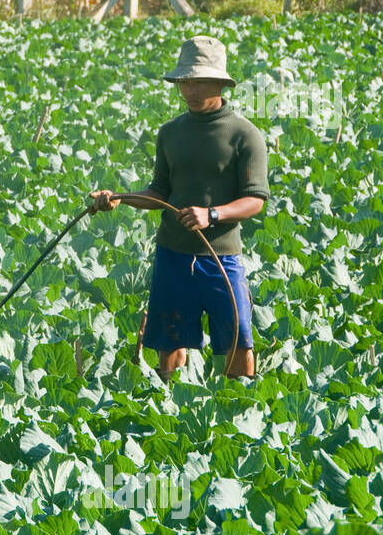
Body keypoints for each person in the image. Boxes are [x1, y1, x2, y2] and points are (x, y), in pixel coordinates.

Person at [90, 35, 270, 381]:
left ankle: (240, 405)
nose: (191, 89)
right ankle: (169, 402)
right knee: (169, 340)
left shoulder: (244, 135)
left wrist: (211, 214)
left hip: (221, 257)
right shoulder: (170, 132)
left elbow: (255, 200)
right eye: (185, 81)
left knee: (238, 339)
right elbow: (159, 191)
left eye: (200, 80)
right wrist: (119, 199)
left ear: (220, 82)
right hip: (172, 255)